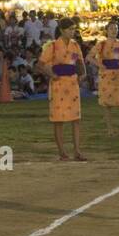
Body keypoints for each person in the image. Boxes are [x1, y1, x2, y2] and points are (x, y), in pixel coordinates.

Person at [39, 17, 87, 161]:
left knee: (76, 119)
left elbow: (80, 62)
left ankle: (77, 150)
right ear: (62, 30)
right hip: (59, 84)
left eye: (74, 29)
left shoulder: (75, 45)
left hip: (72, 83)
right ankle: (62, 152)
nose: (73, 32)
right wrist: (52, 74)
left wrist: (83, 74)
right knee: (58, 120)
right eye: (70, 29)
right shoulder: (53, 46)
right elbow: (40, 64)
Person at [89, 19, 119, 138]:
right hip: (105, 75)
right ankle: (110, 130)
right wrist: (100, 64)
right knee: (106, 104)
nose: (114, 31)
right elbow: (89, 57)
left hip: (118, 74)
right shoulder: (101, 44)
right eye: (112, 29)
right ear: (107, 31)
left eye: (116, 29)